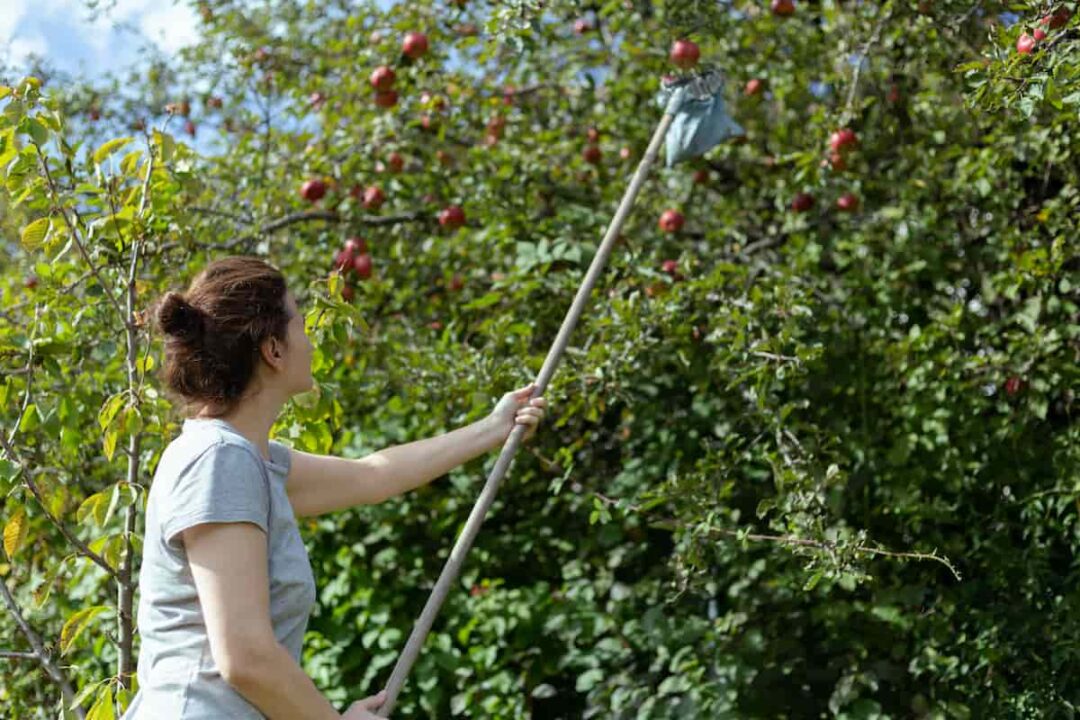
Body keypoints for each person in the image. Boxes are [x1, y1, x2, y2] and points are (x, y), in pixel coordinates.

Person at [119, 255, 548, 719]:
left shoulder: (251, 460)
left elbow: (374, 475)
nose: (309, 341)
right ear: (273, 350)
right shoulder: (219, 460)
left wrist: (493, 427)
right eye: (300, 325)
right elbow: (245, 656)